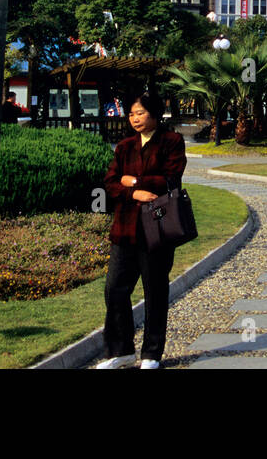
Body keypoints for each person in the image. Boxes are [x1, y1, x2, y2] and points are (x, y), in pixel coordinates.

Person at [97, 92, 186, 370]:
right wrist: (134, 193)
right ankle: (120, 351)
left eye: (141, 113)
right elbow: (110, 183)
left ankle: (151, 354)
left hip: (156, 228)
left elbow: (169, 178)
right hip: (125, 228)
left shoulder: (171, 142)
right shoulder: (124, 147)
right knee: (114, 289)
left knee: (155, 291)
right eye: (132, 113)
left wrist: (132, 181)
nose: (135, 118)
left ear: (155, 114)